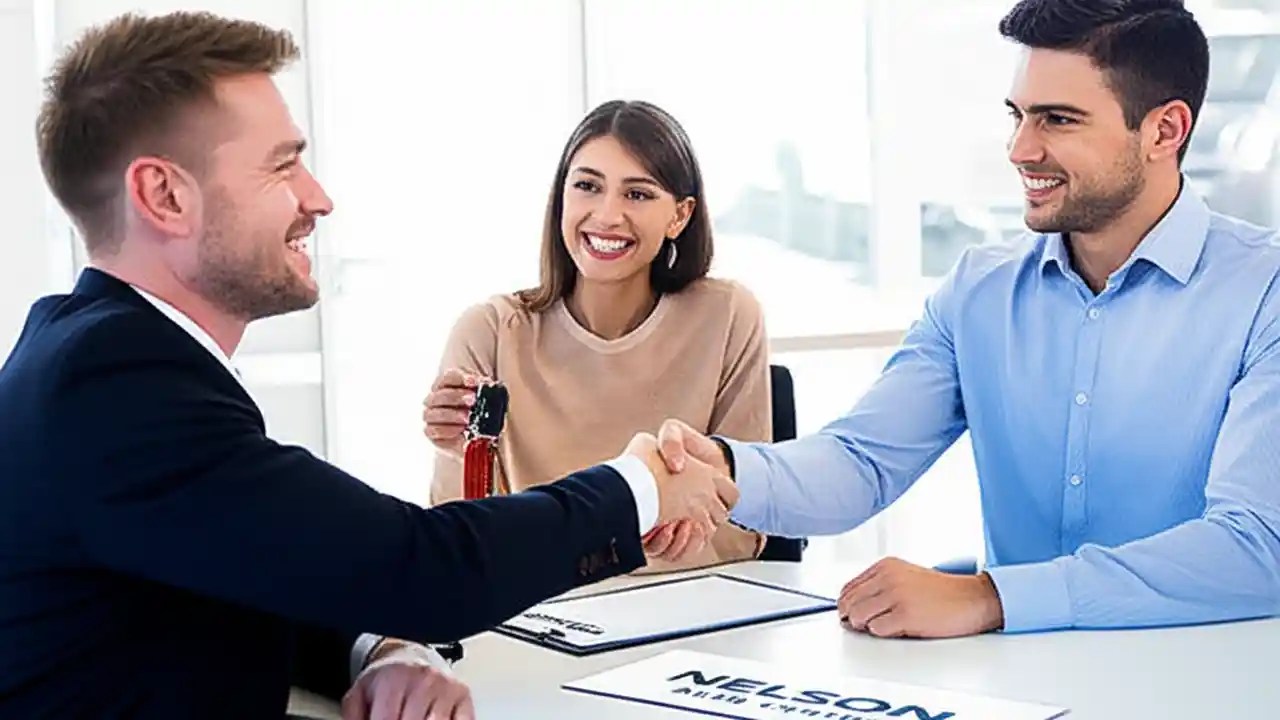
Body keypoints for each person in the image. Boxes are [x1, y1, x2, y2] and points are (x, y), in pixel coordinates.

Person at [0, 11, 735, 720]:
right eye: (282, 165)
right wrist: (642, 485)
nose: (317, 198)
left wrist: (375, 650)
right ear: (164, 195)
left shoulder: (87, 351)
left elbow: (245, 569)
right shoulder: (118, 384)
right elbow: (421, 567)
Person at [653, 0, 1280, 639]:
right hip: (1017, 684)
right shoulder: (979, 289)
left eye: (1058, 120)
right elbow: (861, 462)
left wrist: (990, 598)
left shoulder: (1265, 293)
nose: (1020, 149)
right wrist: (727, 474)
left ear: (1164, 131)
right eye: (1018, 116)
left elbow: (1258, 547)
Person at [424, 100, 800, 571]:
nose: (606, 215)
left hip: (687, 611)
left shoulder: (726, 316)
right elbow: (460, 537)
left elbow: (740, 529)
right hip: (548, 619)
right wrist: (463, 454)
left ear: (679, 216)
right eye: (587, 186)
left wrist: (584, 554)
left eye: (637, 195)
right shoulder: (491, 332)